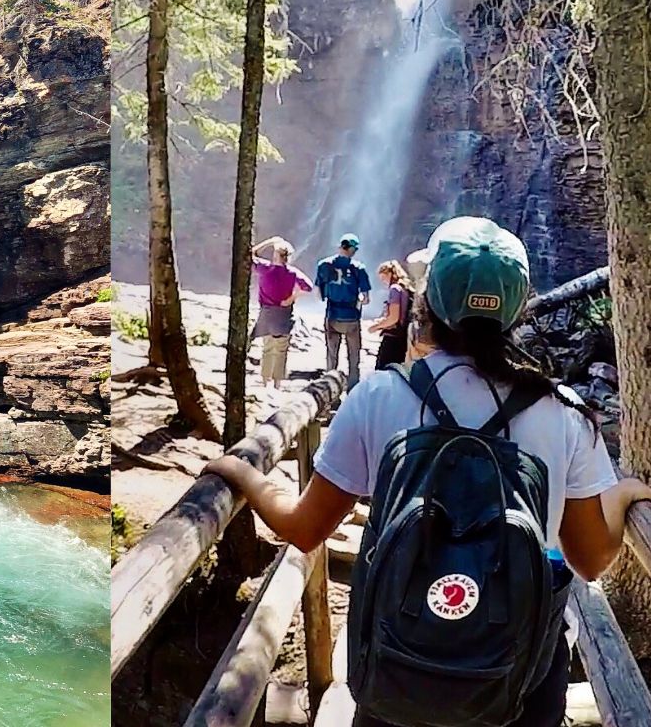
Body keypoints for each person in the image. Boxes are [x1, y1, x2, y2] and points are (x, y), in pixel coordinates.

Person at [206, 216, 651, 727]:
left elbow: (304, 528)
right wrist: (618, 496)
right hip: (516, 676)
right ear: (521, 307)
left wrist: (245, 474)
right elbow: (590, 559)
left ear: (427, 301)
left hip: (399, 661)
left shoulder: (379, 396)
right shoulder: (566, 412)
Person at [250, 236, 312, 390]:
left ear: (275, 255)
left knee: (267, 349)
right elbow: (308, 287)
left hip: (266, 313)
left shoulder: (265, 268)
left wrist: (269, 241)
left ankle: (265, 382)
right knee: (281, 350)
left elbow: (250, 255)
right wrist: (292, 297)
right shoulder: (292, 273)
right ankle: (277, 384)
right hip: (284, 314)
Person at [316, 233, 371, 389]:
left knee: (332, 356)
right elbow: (366, 298)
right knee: (354, 358)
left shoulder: (324, 265)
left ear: (340, 246)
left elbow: (319, 294)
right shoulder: (359, 268)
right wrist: (359, 300)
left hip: (332, 315)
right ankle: (353, 389)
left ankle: (328, 390)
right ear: (353, 249)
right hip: (351, 317)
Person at [368, 259, 413, 369]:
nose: (383, 282)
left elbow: (394, 318)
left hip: (393, 338)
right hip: (403, 337)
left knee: (382, 369)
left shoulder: (394, 289)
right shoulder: (405, 288)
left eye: (383, 278)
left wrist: (376, 327)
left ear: (390, 273)